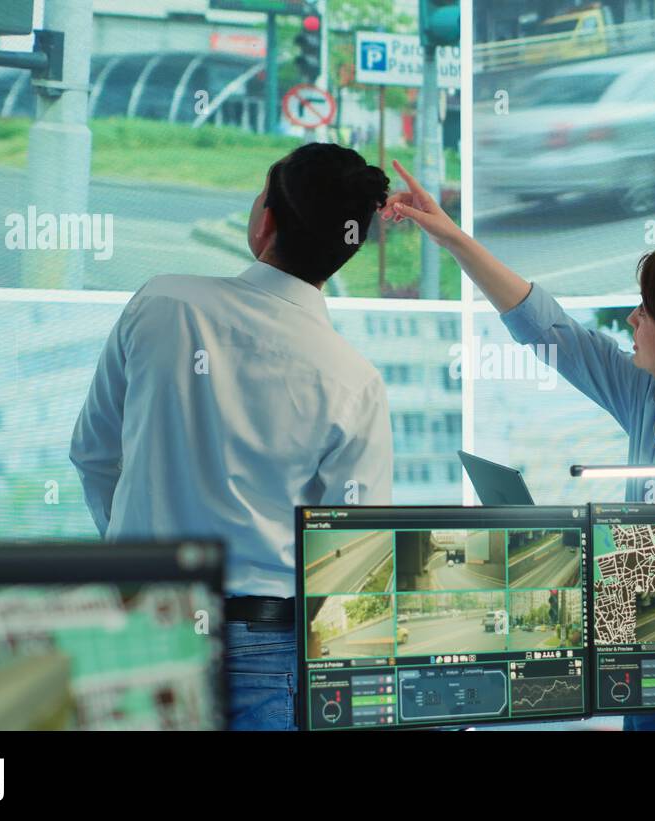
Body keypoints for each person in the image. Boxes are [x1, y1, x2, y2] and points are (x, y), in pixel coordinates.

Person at [383, 160, 655, 730]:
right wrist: (453, 235)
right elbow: (548, 329)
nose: (632, 318)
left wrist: (587, 576)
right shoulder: (653, 396)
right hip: (648, 688)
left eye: (647, 310)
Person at [70, 143, 394, 731]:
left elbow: (94, 454)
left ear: (265, 220)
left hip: (138, 624)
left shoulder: (162, 302)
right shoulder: (355, 379)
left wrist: (134, 551)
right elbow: (353, 566)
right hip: (263, 649)